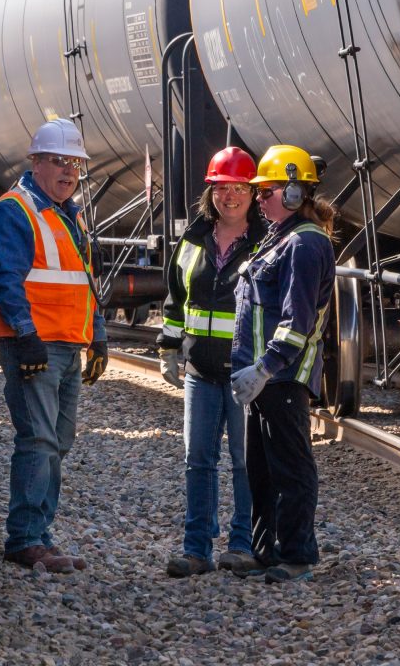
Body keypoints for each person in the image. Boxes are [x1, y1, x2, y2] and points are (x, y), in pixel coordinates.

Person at [0, 118, 108, 575]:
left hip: (66, 344)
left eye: (74, 163)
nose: (68, 171)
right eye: (58, 161)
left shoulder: (68, 213)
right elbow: (3, 280)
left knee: (58, 440)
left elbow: (83, 280)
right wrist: (27, 335)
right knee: (38, 439)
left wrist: (97, 335)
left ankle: (41, 533)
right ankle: (25, 539)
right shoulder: (14, 211)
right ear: (35, 162)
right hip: (34, 345)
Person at [229, 144, 336, 583]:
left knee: (291, 468)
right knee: (262, 468)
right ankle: (265, 550)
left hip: (283, 377)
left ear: (294, 192)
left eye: (266, 190)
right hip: (265, 380)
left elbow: (298, 321)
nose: (259, 199)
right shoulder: (280, 239)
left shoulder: (306, 245)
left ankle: (296, 556)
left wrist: (266, 367)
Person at [158, 147, 267, 578]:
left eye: (241, 188)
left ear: (253, 194)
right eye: (223, 188)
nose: (231, 197)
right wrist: (169, 348)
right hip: (201, 372)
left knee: (245, 464)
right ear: (211, 193)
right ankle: (196, 549)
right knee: (198, 461)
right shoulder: (192, 240)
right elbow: (175, 299)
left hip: (244, 373)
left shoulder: (266, 241)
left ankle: (242, 545)